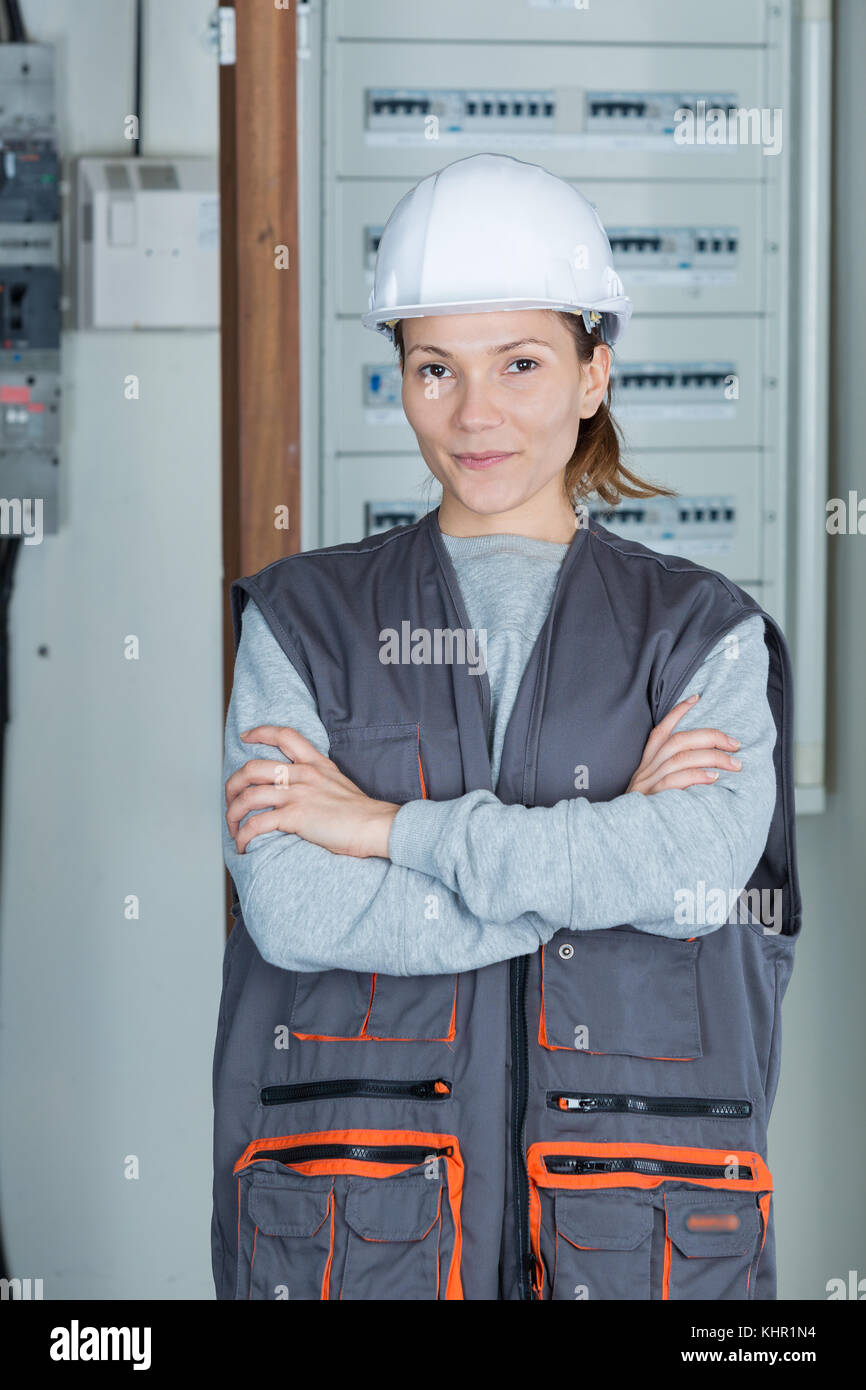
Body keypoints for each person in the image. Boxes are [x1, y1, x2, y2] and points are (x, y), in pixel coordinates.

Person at [212, 153, 800, 1302]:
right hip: (359, 1241)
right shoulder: (299, 622)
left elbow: (689, 881)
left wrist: (386, 829)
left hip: (640, 1242)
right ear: (400, 377)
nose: (472, 414)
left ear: (593, 374)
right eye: (435, 368)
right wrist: (599, 864)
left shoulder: (705, 635)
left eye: (519, 364)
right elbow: (292, 910)